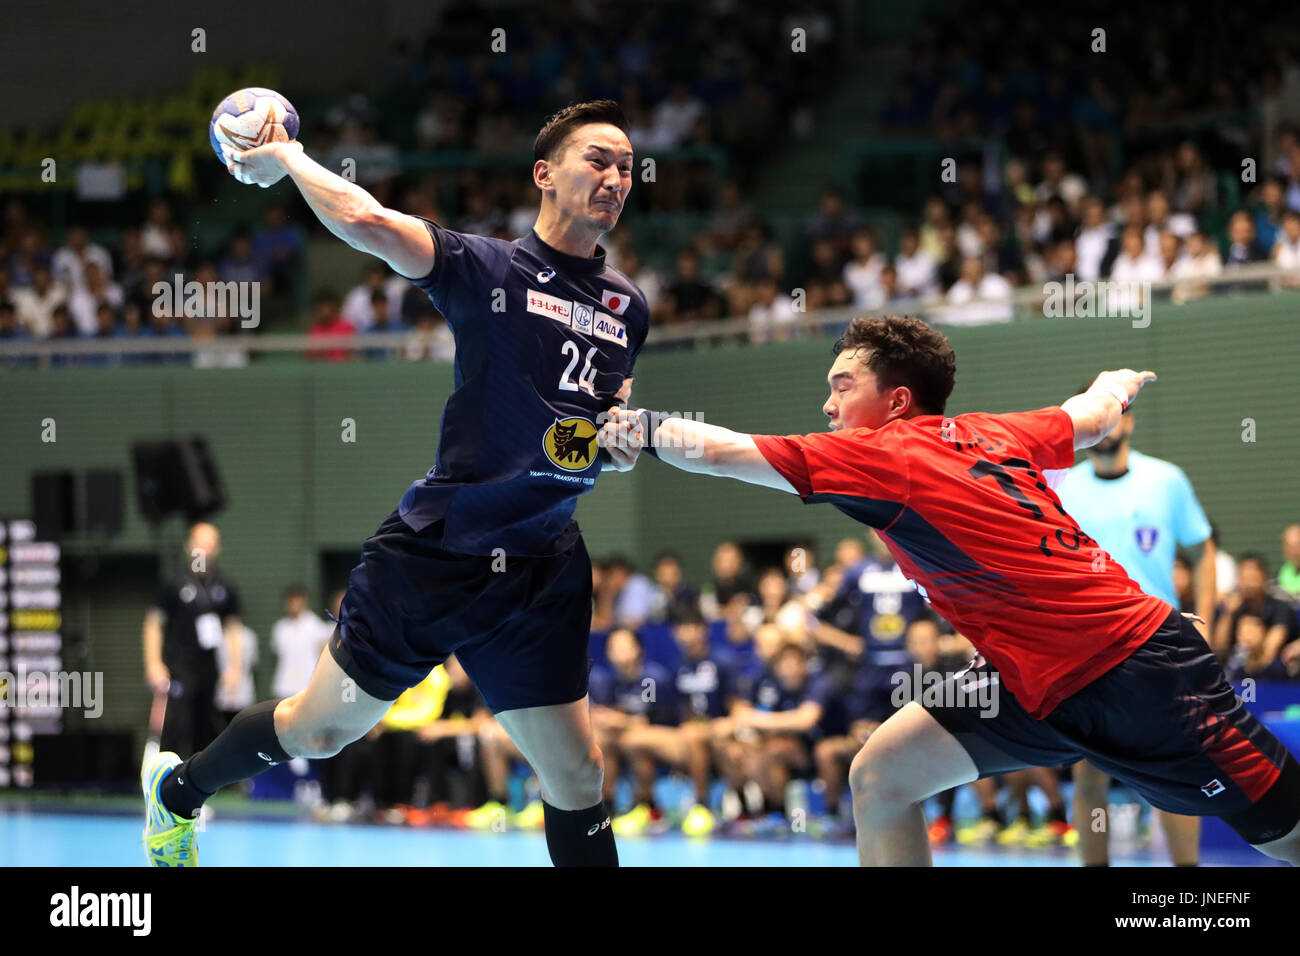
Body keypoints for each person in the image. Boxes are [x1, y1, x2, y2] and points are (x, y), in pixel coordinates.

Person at [142, 100, 648, 867]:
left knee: (577, 773)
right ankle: (177, 793)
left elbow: (608, 410)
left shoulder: (627, 307)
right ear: (545, 175)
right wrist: (290, 158)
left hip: (543, 567)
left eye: (627, 167)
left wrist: (622, 438)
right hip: (442, 551)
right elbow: (367, 220)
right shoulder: (487, 270)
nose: (616, 177)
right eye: (599, 160)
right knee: (318, 731)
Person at [603, 314, 1300, 865]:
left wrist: (639, 428)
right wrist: (1120, 380)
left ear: (896, 401)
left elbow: (727, 452)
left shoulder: (883, 453)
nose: (828, 402)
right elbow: (1088, 418)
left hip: (1135, 670)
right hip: (1030, 681)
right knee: (881, 775)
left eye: (843, 384)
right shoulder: (993, 432)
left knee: (1284, 836)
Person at [1055, 386, 1217, 866]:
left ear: (1125, 423)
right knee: (1088, 773)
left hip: (1161, 645)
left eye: (1111, 417)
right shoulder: (1062, 487)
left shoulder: (1165, 480)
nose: (1103, 426)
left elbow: (1202, 547)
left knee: (1176, 768)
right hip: (1085, 648)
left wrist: (1204, 616)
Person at [142, 523, 244, 761]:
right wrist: (153, 663)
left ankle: (198, 788)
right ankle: (166, 785)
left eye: (209, 544)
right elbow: (153, 623)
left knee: (205, 728)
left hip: (208, 667)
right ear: (189, 546)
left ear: (217, 548)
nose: (204, 549)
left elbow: (233, 628)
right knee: (177, 725)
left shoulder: (225, 586)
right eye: (199, 542)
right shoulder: (173, 581)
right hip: (177, 665)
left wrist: (235, 668)